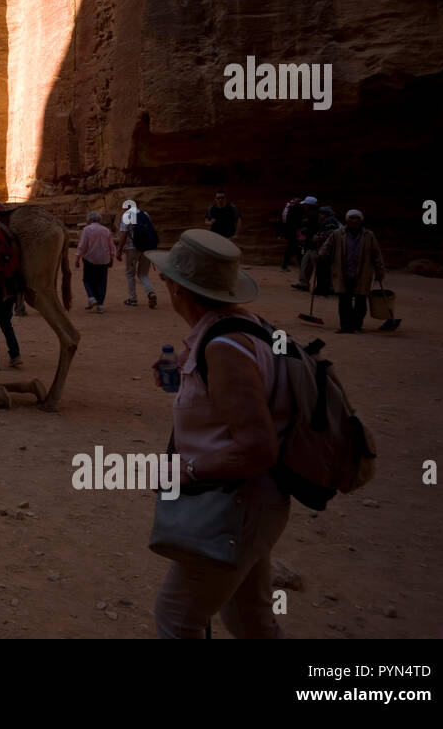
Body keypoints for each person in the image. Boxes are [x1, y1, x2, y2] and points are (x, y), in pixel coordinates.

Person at [144, 229, 291, 639]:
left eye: (168, 278)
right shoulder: (236, 327)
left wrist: (185, 470)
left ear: (180, 289)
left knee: (176, 617)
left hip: (237, 506)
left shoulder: (224, 347)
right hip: (249, 505)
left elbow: (259, 449)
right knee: (250, 621)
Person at [318, 209, 386, 334]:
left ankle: (357, 325)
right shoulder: (337, 234)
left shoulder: (369, 235)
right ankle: (345, 326)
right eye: (351, 218)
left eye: (357, 218)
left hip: (362, 274)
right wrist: (321, 257)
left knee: (360, 302)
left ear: (361, 220)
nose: (354, 221)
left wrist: (379, 272)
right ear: (347, 220)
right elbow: (325, 249)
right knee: (344, 302)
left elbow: (376, 255)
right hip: (343, 274)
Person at [75, 211, 117, 313]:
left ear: (90, 219)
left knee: (87, 280)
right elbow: (111, 246)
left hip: (90, 259)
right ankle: (100, 305)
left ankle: (91, 297)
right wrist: (112, 258)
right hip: (104, 259)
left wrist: (77, 258)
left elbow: (82, 245)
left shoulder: (87, 229)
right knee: (101, 282)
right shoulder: (106, 230)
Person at [117, 207, 158, 309]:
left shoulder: (126, 215)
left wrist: (119, 250)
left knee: (130, 274)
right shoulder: (145, 214)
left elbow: (124, 234)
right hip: (146, 248)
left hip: (131, 249)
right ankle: (151, 292)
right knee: (143, 274)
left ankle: (133, 299)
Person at [278, 196, 312, 272]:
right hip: (294, 232)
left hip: (290, 232)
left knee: (292, 248)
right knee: (296, 248)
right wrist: (304, 222)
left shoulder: (288, 208)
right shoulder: (296, 209)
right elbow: (296, 222)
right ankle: (300, 266)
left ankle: (286, 265)